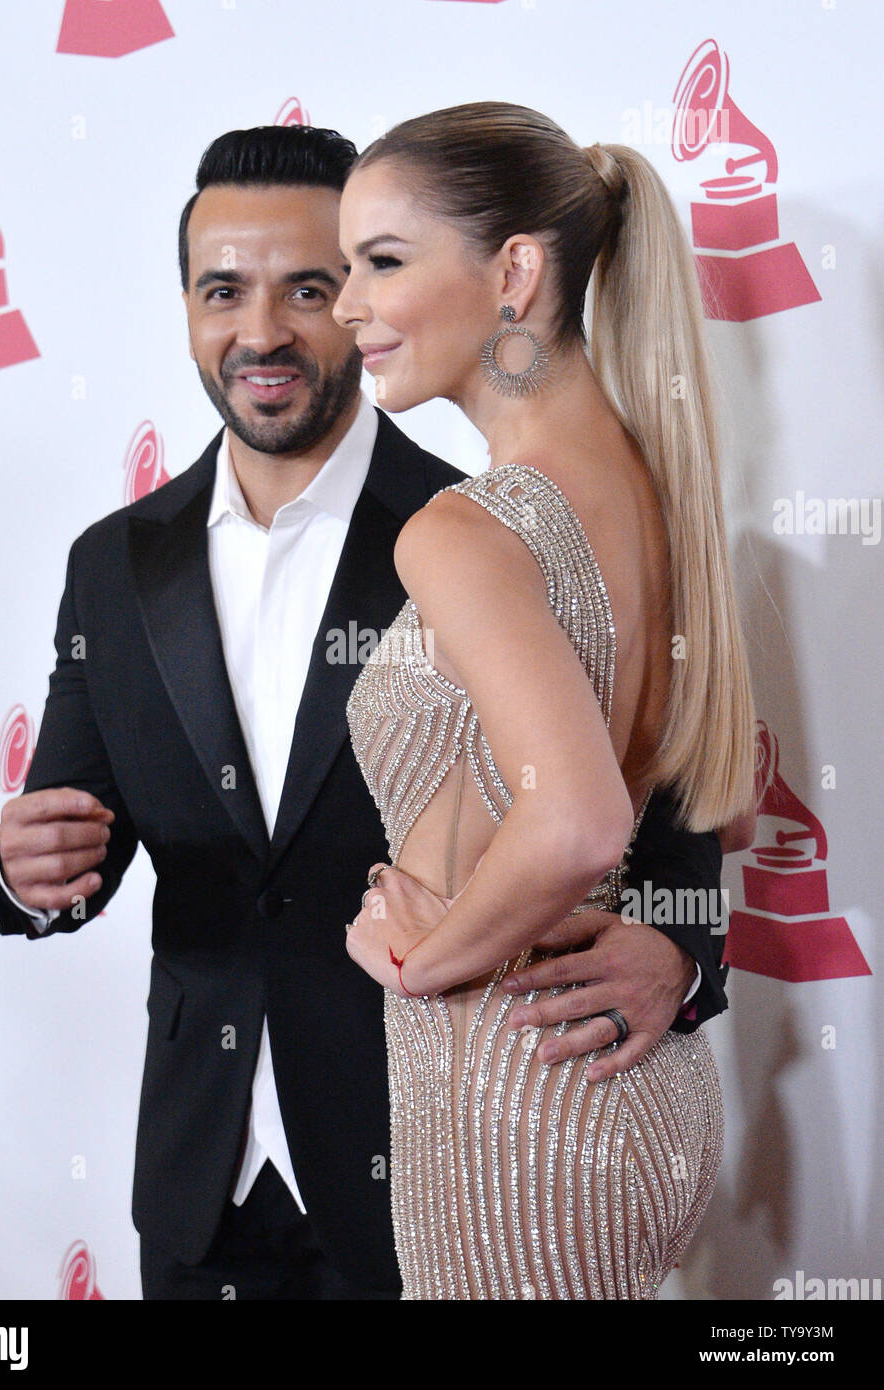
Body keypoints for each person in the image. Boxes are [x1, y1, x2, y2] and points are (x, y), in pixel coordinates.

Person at [0, 124, 736, 1301]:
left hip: (441, 1141)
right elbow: (77, 814)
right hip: (202, 1176)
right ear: (185, 307)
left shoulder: (475, 519)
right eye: (221, 290)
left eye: (321, 283)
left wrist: (679, 949)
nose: (265, 328)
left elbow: (651, 789)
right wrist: (26, 870)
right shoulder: (109, 566)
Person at [339, 102, 758, 1300]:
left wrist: (423, 965)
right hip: (625, 1088)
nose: (349, 306)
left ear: (513, 269)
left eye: (383, 263)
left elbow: (576, 822)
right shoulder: (654, 486)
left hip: (508, 1094)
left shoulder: (466, 529)